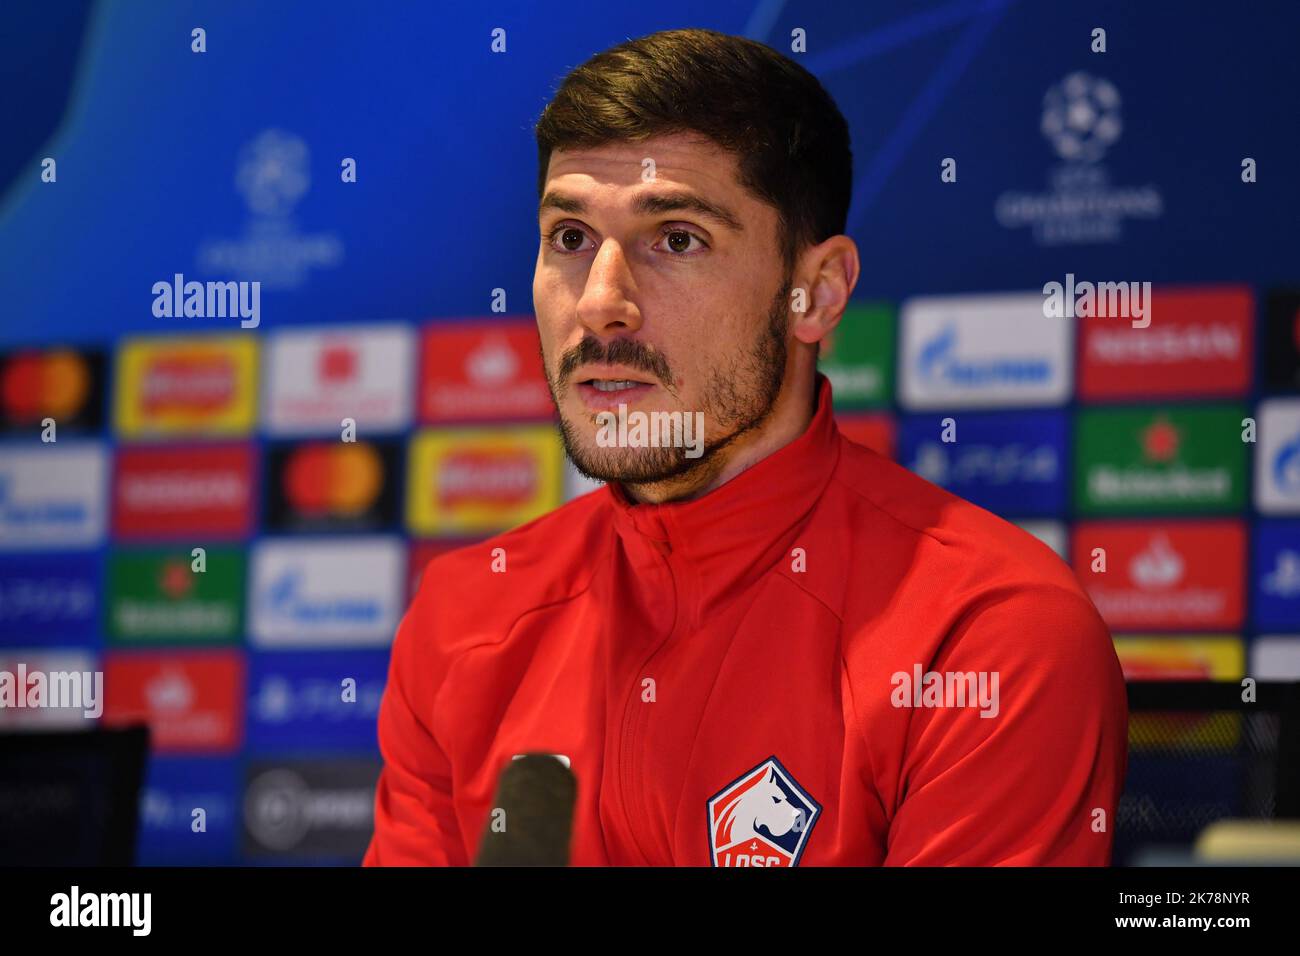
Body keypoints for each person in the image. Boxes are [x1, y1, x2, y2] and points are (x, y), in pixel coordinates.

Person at [364, 27, 1127, 867]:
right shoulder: (464, 618)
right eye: (571, 238)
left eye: (677, 239)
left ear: (818, 292)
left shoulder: (988, 635)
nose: (601, 305)